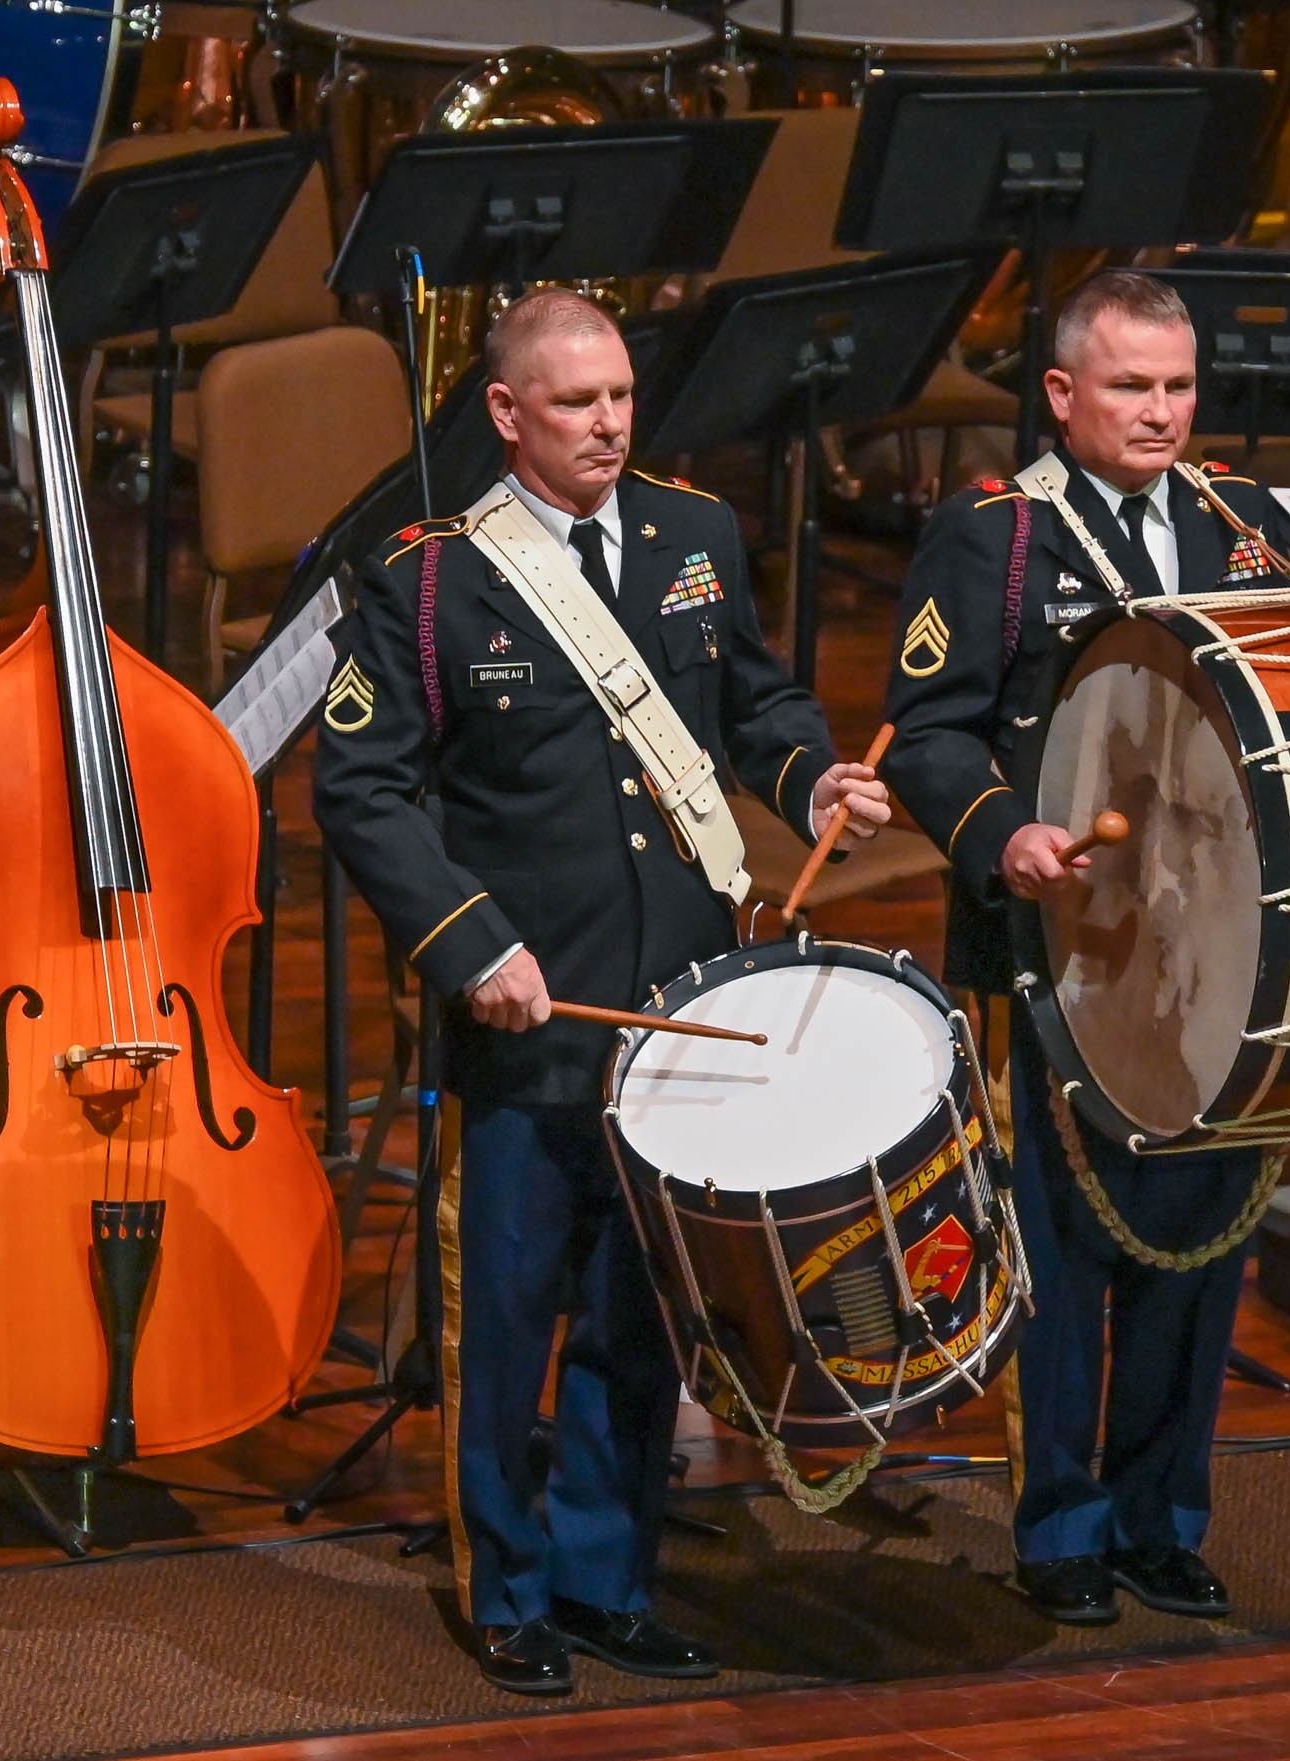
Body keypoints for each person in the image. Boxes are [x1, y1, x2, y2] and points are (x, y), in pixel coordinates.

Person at [314, 288, 891, 1695]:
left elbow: (754, 703)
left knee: (643, 1320)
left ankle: (604, 1577)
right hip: (532, 1009)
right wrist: (470, 945)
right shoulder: (432, 583)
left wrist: (811, 779)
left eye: (622, 396)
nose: (610, 424)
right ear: (507, 414)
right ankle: (507, 1590)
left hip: (679, 1002)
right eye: (577, 403)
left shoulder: (695, 536)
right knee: (509, 1319)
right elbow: (362, 788)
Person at [880, 270, 1290, 1628]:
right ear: (1062, 395)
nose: (1161, 412)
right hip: (1055, 941)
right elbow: (929, 731)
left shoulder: (1241, 523)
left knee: (1200, 1232)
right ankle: (1060, 1522)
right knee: (1061, 1247)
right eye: (1131, 386)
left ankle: (1161, 1517)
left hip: (1222, 941)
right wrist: (1000, 832)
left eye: (1178, 385)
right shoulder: (996, 537)